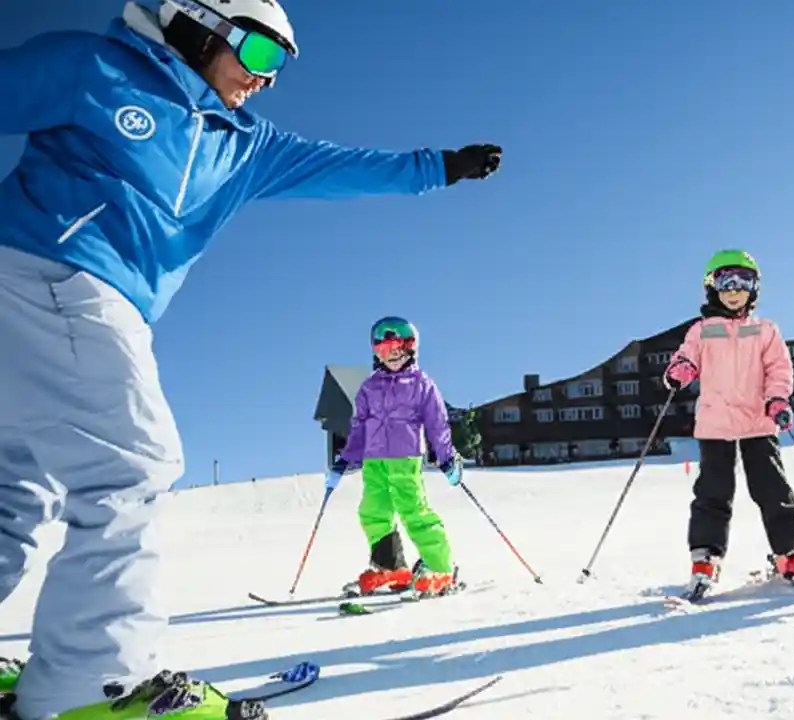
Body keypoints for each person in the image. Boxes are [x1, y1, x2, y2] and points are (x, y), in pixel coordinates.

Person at [0, 0, 500, 716]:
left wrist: (439, 167)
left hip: (90, 306)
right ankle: (90, 686)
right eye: (261, 57)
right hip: (57, 272)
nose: (267, 80)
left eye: (280, 69)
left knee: (17, 481)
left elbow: (345, 167)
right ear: (201, 27)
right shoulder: (98, 69)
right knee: (130, 463)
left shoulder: (244, 145)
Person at [663, 249, 794, 598]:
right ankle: (706, 556)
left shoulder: (765, 330)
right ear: (712, 287)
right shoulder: (702, 331)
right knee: (713, 493)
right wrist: (681, 371)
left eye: (743, 282)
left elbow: (779, 369)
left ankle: (792, 553)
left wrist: (777, 399)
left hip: (758, 421)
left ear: (755, 288)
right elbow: (687, 356)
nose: (734, 289)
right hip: (716, 424)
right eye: (725, 282)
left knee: (773, 490)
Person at [326, 316, 463, 601]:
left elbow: (437, 423)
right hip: (374, 462)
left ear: (411, 350)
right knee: (373, 512)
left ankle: (440, 569)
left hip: (405, 458)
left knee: (414, 511)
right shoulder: (368, 388)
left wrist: (447, 456)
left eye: (397, 350)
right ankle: (391, 567)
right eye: (384, 351)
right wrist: (345, 459)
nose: (391, 357)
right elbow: (360, 428)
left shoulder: (421, 384)